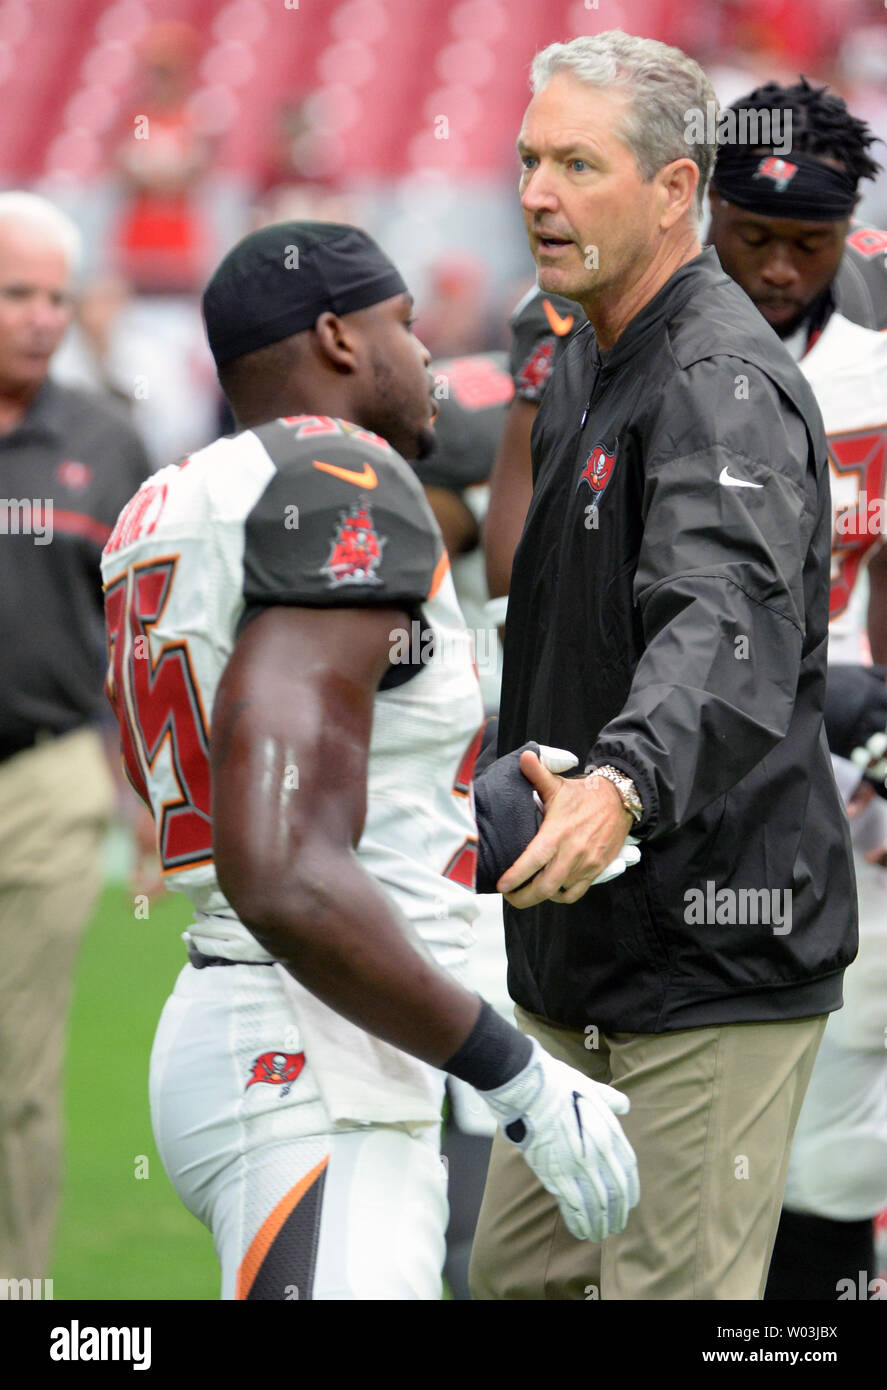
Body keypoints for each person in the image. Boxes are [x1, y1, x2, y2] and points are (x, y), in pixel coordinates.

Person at [100, 220, 639, 1301]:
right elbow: (286, 866)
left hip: (265, 1009)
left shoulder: (174, 494)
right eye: (402, 323)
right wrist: (517, 1073)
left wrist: (471, 819)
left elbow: (296, 767)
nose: (427, 351)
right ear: (339, 336)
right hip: (306, 1041)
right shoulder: (341, 478)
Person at [469, 31, 855, 1302]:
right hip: (582, 950)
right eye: (529, 159)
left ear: (677, 191)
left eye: (577, 163)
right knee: (522, 1280)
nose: (535, 191)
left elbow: (727, 617)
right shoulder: (585, 345)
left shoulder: (714, 376)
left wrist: (619, 785)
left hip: (711, 951)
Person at [705, 77, 887, 1301]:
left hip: (841, 806)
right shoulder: (628, 347)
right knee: (681, 1152)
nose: (777, 269)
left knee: (826, 1149)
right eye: (752, 236)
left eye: (807, 244)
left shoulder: (875, 373)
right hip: (678, 799)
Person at [0, 192, 152, 1281]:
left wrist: (145, 787)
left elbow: (141, 635)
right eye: (18, 293)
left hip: (46, 780)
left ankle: (21, 1288)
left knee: (18, 1072)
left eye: (57, 295)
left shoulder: (106, 440)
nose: (42, 316)